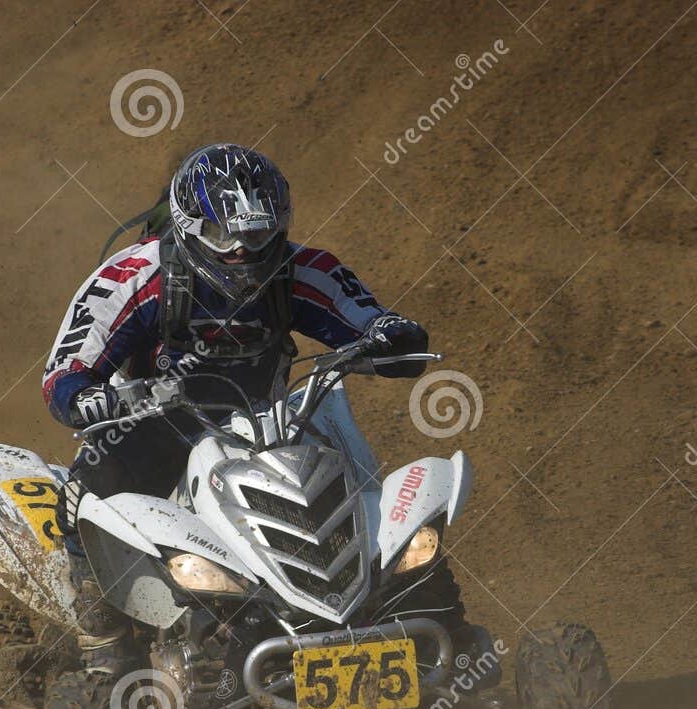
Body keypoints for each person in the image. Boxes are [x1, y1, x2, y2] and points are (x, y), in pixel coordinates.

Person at [42, 143, 430, 668]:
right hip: (157, 422)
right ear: (189, 226)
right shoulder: (134, 276)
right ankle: (104, 641)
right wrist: (89, 399)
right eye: (226, 235)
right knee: (83, 492)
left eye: (258, 233)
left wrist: (389, 335)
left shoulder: (301, 270)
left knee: (376, 513)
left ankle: (400, 619)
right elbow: (64, 371)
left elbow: (367, 318)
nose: (244, 250)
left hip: (272, 422)